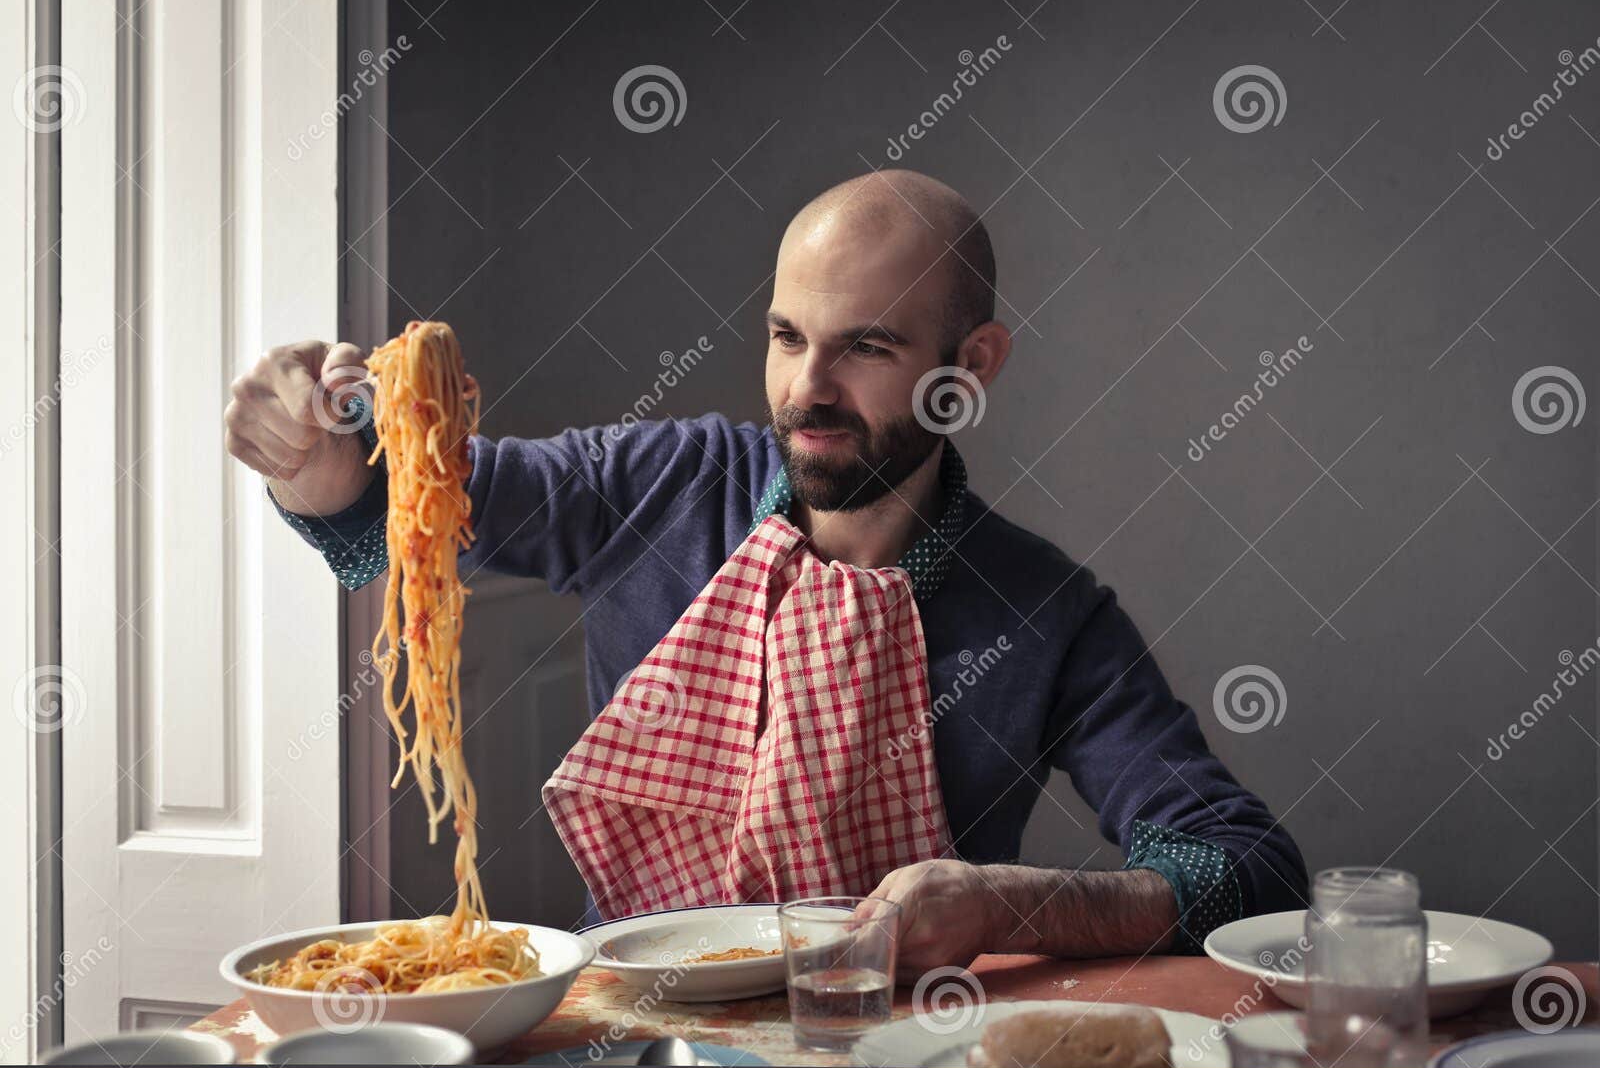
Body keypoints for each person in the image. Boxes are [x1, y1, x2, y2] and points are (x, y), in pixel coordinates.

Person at [224, 169, 1306, 979]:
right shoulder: (658, 484)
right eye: (788, 337)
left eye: (866, 349)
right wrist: (314, 463)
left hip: (897, 1056)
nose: (806, 390)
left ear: (967, 369)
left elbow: (1247, 871)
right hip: (637, 1034)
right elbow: (397, 514)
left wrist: (1002, 907)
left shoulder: (1045, 613)